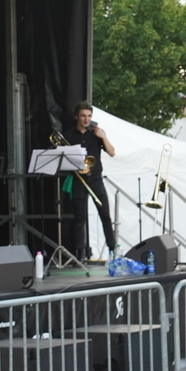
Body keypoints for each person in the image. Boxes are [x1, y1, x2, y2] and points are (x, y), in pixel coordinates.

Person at [69, 103, 116, 261]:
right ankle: (80, 253)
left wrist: (103, 137)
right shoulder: (69, 135)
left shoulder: (97, 133)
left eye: (89, 116)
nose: (86, 119)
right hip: (79, 179)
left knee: (105, 215)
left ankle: (112, 249)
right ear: (77, 116)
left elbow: (112, 152)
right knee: (79, 218)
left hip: (95, 178)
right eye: (83, 116)